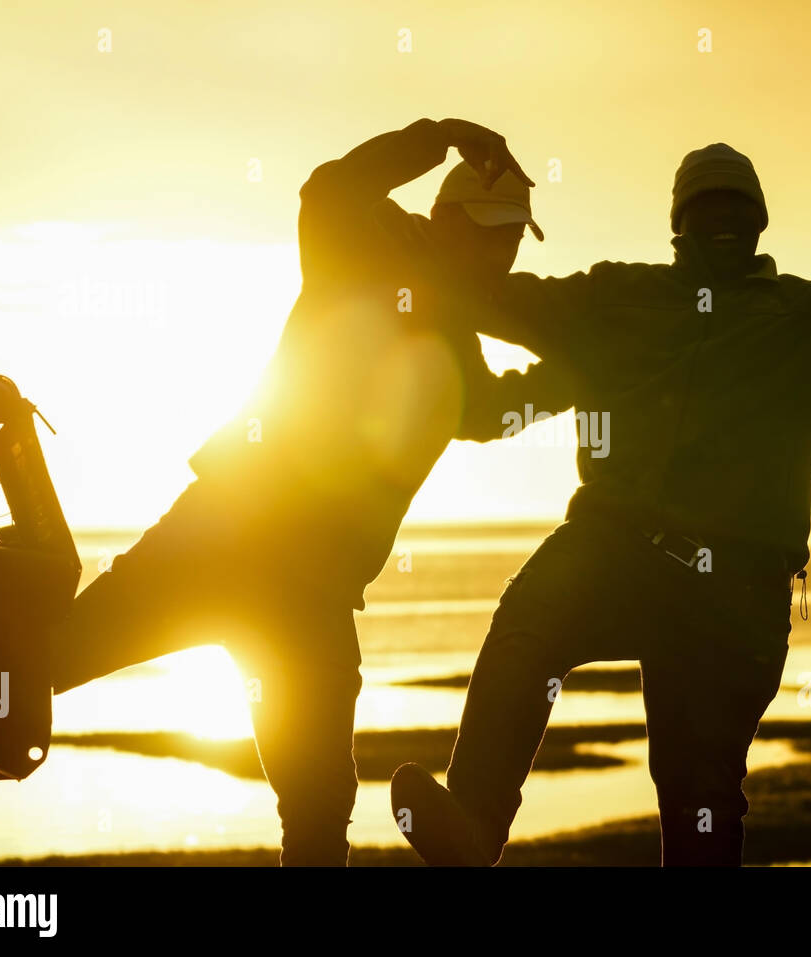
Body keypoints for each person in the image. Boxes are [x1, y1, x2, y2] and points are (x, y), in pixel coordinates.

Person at [389, 55, 811, 866]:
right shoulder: (618, 299)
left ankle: (482, 819)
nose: (724, 223)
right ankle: (475, 822)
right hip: (617, 552)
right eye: (708, 210)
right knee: (527, 632)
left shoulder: (807, 313)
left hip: (732, 589)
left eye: (737, 209)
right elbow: (484, 298)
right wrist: (405, 224)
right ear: (680, 225)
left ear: (760, 223)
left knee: (698, 801)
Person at [46, 118, 568, 865]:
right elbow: (328, 189)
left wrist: (577, 380)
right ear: (445, 219)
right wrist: (441, 134)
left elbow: (483, 412)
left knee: (320, 807)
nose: (505, 250)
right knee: (41, 670)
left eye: (514, 237)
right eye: (493, 233)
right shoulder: (369, 240)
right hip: (224, 534)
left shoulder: (457, 325)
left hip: (311, 591)